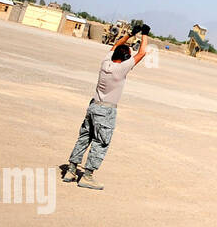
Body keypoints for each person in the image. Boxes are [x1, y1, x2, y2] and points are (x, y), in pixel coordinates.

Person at [60, 24, 151, 190]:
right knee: (100, 142)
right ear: (124, 59)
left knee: (84, 138)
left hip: (93, 105)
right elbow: (142, 53)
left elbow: (115, 45)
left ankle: (71, 170)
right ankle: (87, 176)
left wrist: (131, 34)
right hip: (106, 111)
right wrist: (145, 34)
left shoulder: (105, 63)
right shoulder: (121, 69)